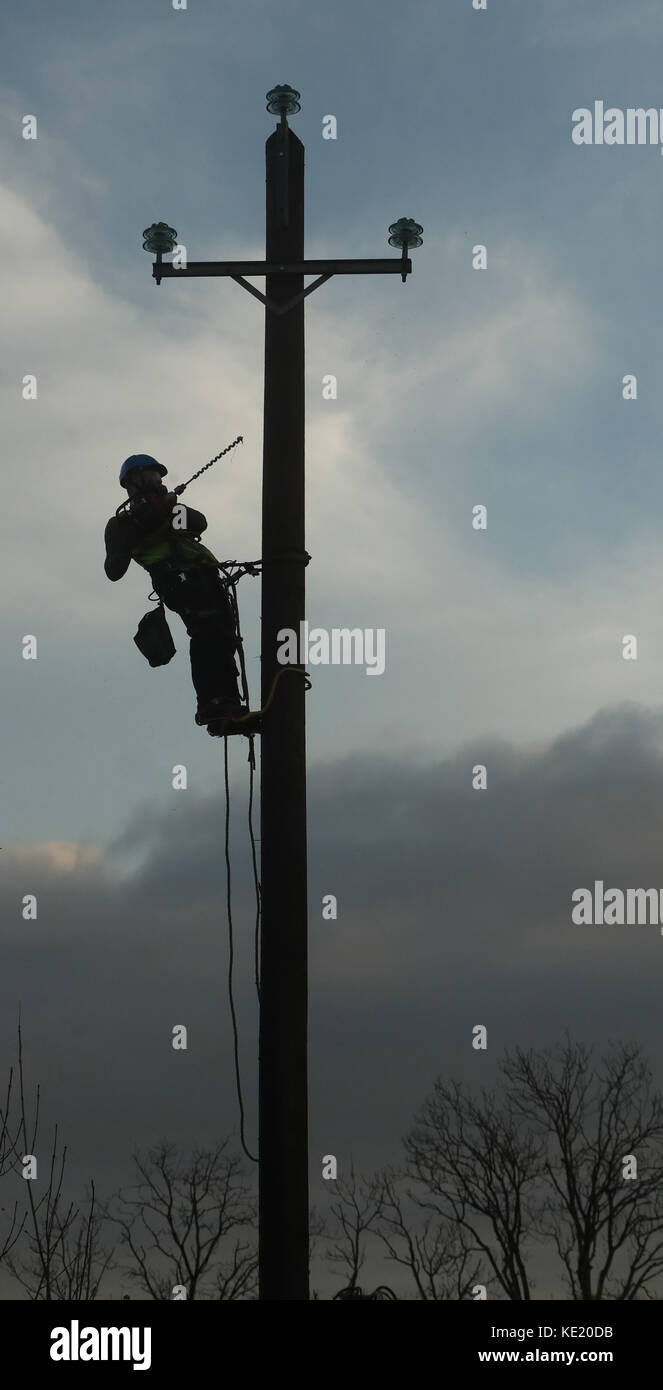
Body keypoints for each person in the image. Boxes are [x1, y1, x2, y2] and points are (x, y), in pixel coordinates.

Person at [104, 453, 244, 724]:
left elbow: (199, 522)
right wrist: (137, 526)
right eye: (152, 476)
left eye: (158, 476)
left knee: (223, 634)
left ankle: (227, 700)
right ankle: (213, 702)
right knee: (205, 631)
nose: (157, 482)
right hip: (175, 580)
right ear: (133, 481)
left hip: (206, 578)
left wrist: (166, 510)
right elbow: (114, 570)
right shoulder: (121, 524)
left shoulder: (169, 510)